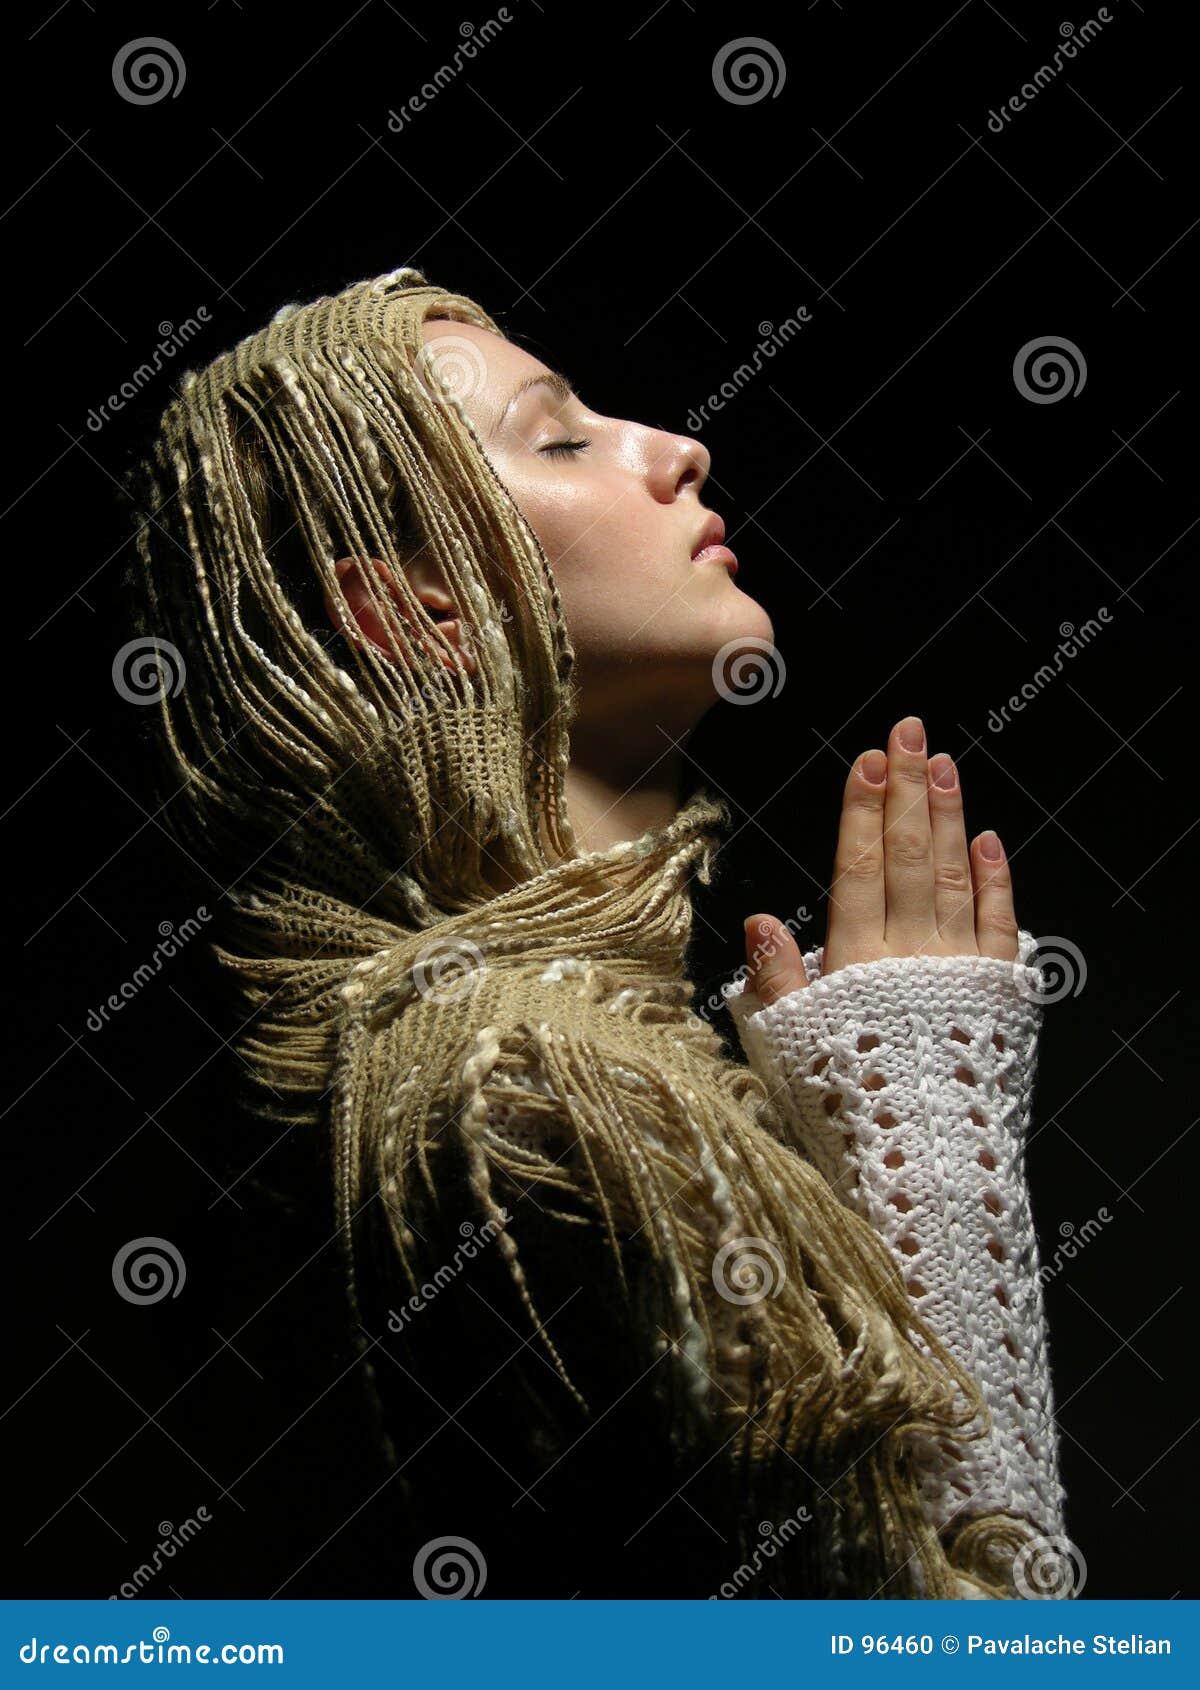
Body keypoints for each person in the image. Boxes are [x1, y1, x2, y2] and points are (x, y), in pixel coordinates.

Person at [120, 265, 1067, 1600]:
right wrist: (932, 1134)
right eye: (557, 436)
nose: (680, 449)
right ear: (418, 610)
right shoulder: (532, 1082)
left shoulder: (498, 1049)